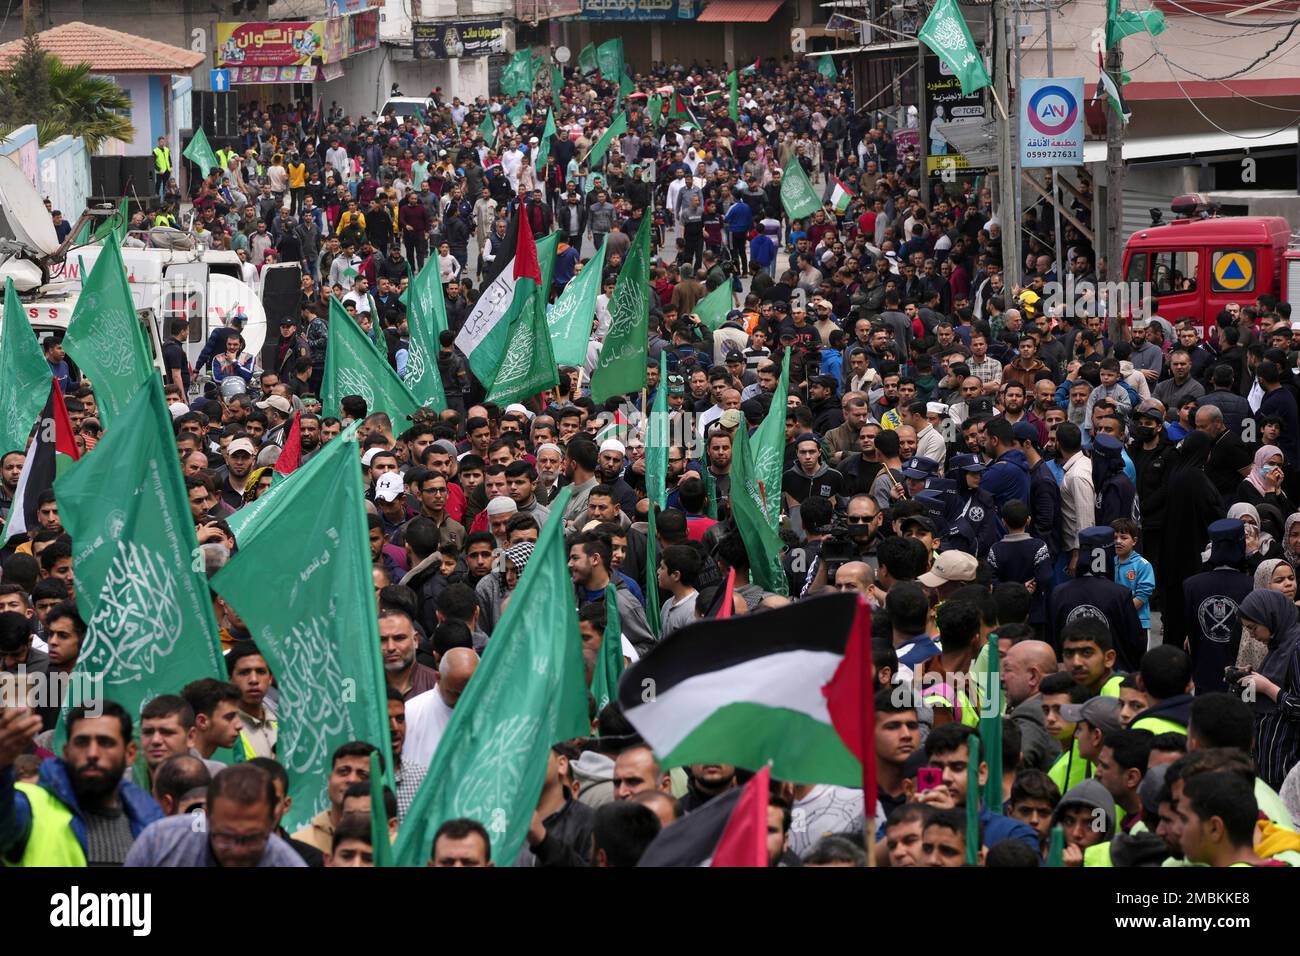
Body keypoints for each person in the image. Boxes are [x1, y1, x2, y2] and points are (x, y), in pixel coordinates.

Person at [0, 701, 163, 866]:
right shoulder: (30, 806)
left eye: (105, 742)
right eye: (82, 742)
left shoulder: (149, 818)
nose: (92, 753)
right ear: (66, 752)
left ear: (130, 753)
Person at [125, 763, 306, 867]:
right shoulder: (160, 843)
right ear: (206, 816)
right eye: (226, 836)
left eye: (252, 838)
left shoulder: (287, 863)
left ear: (271, 822)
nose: (238, 850)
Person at [1232, 588, 1300, 790]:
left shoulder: (1295, 649)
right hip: (1270, 764)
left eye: (1253, 628)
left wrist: (1268, 687)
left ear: (1270, 617)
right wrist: (1244, 678)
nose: (1252, 636)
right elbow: (1255, 702)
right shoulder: (1278, 647)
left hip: (1286, 767)